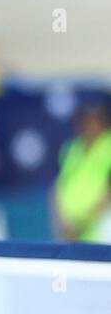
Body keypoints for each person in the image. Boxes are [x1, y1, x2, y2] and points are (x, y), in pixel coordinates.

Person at [53, 102, 111, 242]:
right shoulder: (72, 148)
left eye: (93, 119)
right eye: (84, 119)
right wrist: (63, 221)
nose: (88, 125)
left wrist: (84, 222)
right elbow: (60, 185)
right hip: (71, 231)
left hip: (101, 227)